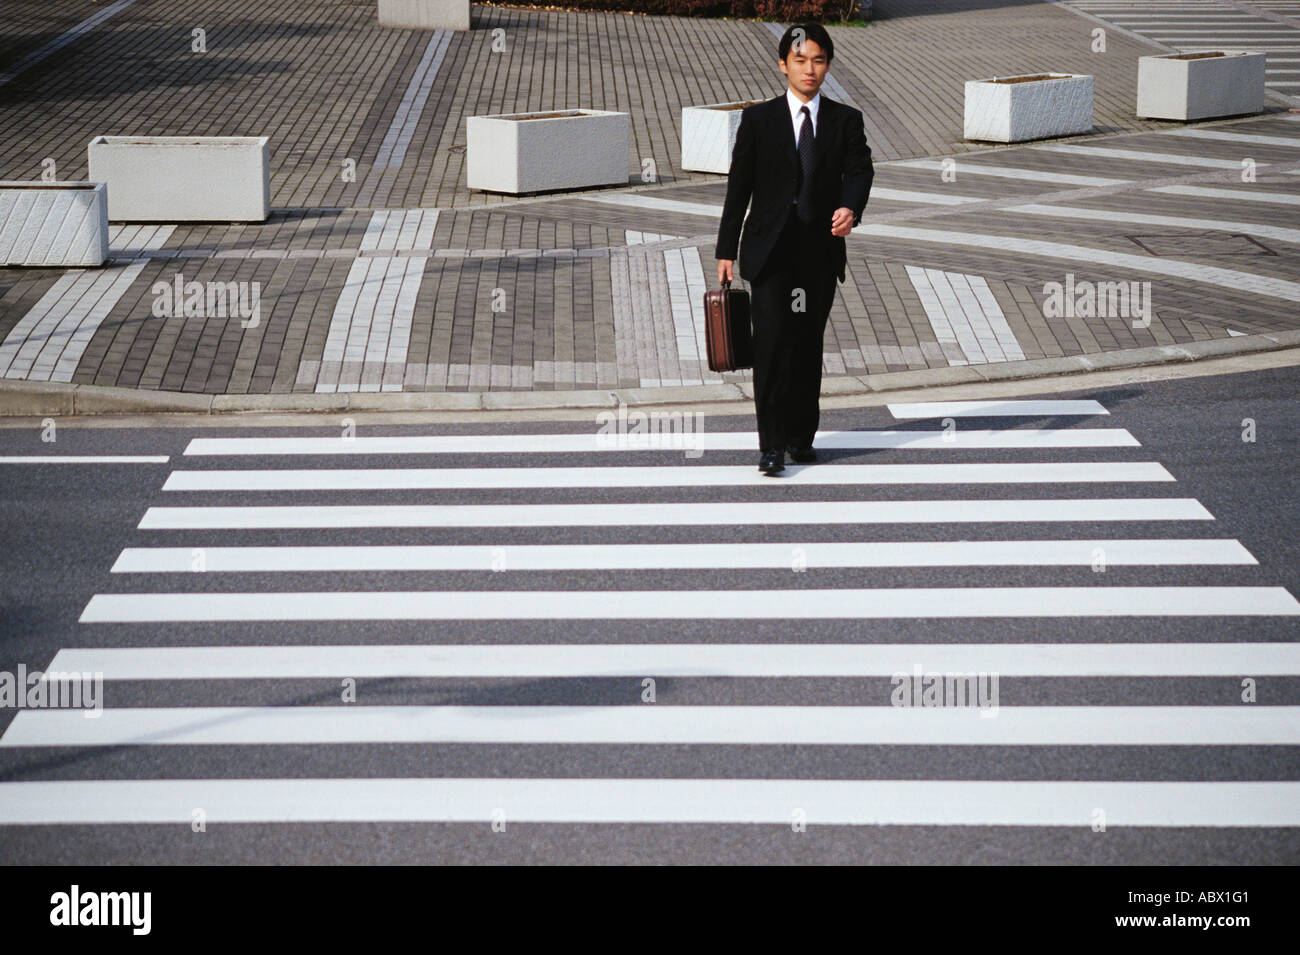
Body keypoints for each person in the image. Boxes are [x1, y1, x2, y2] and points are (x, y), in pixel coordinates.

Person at [714, 22, 874, 475]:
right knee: (770, 347)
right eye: (800, 60)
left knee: (806, 345)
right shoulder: (758, 120)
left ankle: (801, 438)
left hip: (818, 257)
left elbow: (860, 172)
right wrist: (726, 250)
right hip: (769, 255)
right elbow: (738, 188)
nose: (810, 69)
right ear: (783, 64)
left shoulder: (846, 120)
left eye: (819, 60)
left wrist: (851, 207)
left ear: (828, 65)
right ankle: (771, 444)